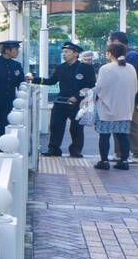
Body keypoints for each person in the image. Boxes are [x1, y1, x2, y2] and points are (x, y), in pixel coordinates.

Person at [41, 42, 95, 158]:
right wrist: (34, 79)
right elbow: (52, 81)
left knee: (76, 128)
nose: (64, 54)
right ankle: (53, 149)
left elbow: (90, 85)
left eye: (67, 52)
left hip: (78, 103)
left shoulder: (85, 68)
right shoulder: (60, 68)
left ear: (75, 53)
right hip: (61, 102)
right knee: (55, 126)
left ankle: (75, 150)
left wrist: (77, 96)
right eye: (63, 52)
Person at [93, 43, 138, 171]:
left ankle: (104, 161)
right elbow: (135, 88)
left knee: (104, 135)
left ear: (110, 54)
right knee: (122, 135)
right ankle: (124, 161)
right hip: (125, 108)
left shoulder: (105, 68)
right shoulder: (130, 68)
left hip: (107, 108)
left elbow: (100, 88)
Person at [108, 30, 138, 154]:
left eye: (110, 41)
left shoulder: (131, 56)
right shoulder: (128, 55)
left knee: (131, 125)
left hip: (129, 98)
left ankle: (134, 152)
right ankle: (120, 153)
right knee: (120, 125)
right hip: (125, 97)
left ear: (116, 41)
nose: (108, 43)